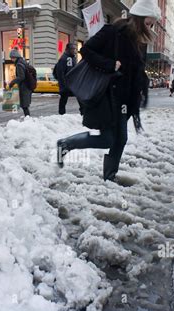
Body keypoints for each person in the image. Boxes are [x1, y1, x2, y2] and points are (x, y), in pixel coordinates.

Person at [56, 0, 160, 181]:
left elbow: (134, 69)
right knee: (108, 139)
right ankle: (65, 144)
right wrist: (110, 64)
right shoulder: (113, 32)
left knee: (120, 140)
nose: (150, 28)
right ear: (139, 18)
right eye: (148, 23)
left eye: (151, 24)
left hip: (124, 100)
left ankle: (110, 176)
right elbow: (87, 50)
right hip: (107, 97)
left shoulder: (137, 42)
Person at [54, 43, 79, 115]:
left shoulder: (73, 58)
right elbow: (60, 73)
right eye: (72, 49)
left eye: (74, 49)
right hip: (65, 84)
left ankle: (83, 112)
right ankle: (61, 114)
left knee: (80, 97)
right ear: (67, 49)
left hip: (73, 84)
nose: (74, 50)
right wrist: (63, 84)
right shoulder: (63, 59)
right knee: (63, 99)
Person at [8, 48, 32, 117]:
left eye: (12, 58)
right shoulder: (23, 62)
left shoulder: (19, 64)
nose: (11, 59)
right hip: (27, 86)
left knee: (24, 106)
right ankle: (28, 118)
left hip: (24, 87)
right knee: (25, 105)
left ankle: (28, 119)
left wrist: (12, 82)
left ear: (15, 57)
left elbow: (21, 77)